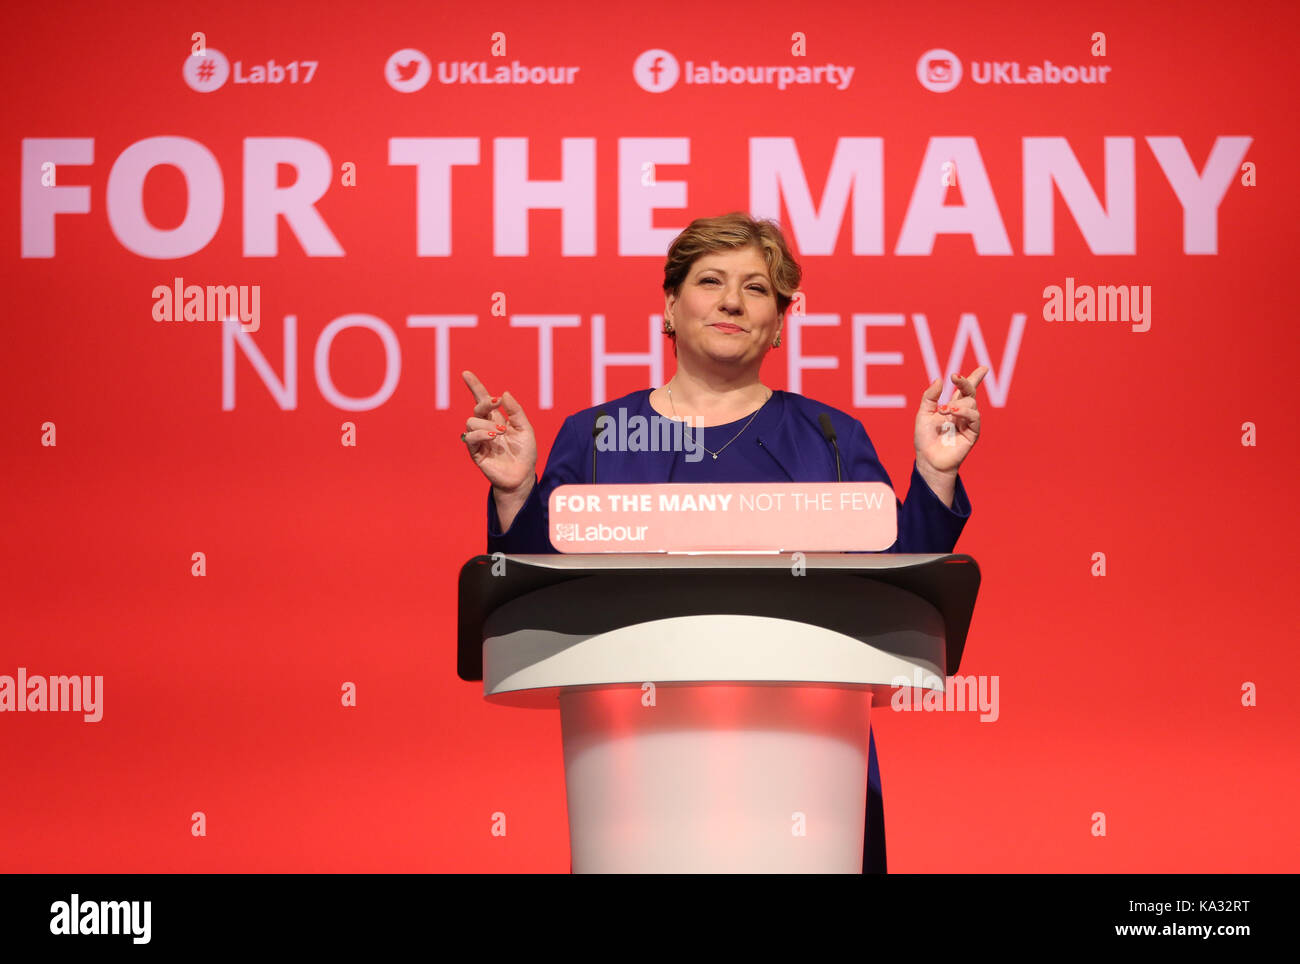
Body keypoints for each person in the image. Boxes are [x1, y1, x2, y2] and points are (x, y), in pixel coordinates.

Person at [461, 211, 986, 873]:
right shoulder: (594, 438)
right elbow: (537, 597)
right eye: (710, 281)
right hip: (633, 777)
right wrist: (514, 494)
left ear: (779, 321)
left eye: (757, 288)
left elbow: (896, 593)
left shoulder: (831, 438)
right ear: (671, 308)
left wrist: (935, 475)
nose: (733, 300)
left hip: (814, 770)